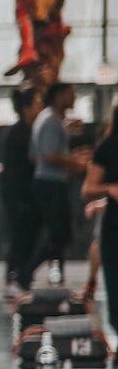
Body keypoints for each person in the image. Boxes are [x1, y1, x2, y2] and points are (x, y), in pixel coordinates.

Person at [22, 82, 91, 288]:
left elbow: (38, 155)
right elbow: (48, 155)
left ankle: (53, 272)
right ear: (59, 96)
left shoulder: (51, 120)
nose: (74, 98)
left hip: (52, 181)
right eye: (71, 94)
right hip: (50, 183)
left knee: (59, 232)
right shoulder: (51, 121)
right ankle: (27, 271)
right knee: (58, 232)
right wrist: (75, 162)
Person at [1, 84, 44, 298]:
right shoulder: (19, 134)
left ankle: (22, 278)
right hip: (19, 197)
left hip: (29, 196)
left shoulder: (32, 131)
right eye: (37, 102)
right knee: (20, 238)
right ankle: (14, 278)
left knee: (29, 237)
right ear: (27, 107)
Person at [82, 106, 118, 332]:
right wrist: (109, 189)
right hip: (115, 227)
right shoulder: (108, 147)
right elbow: (88, 189)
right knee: (115, 285)